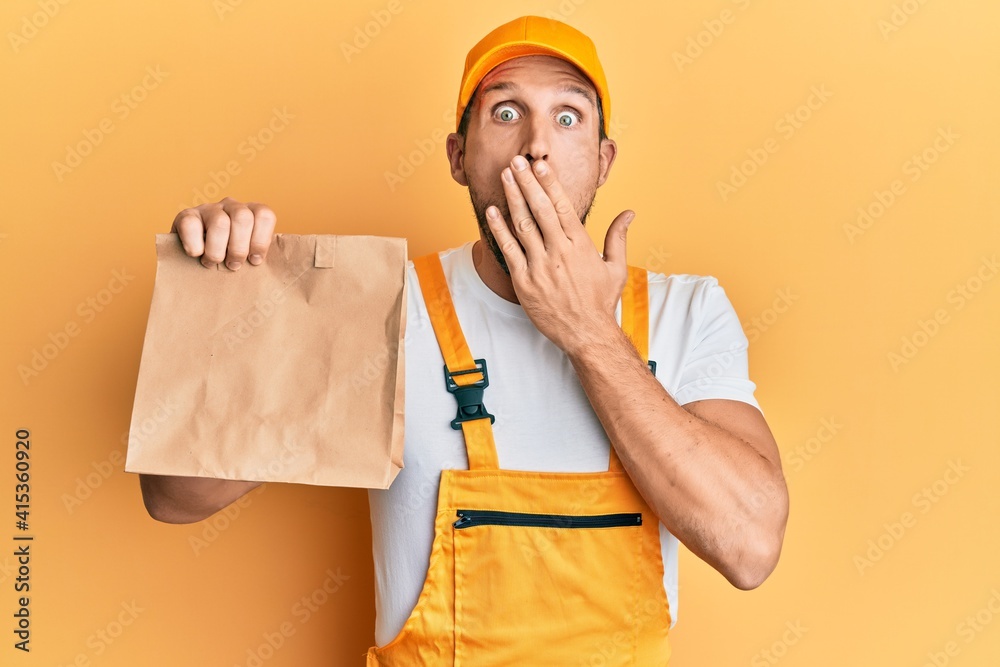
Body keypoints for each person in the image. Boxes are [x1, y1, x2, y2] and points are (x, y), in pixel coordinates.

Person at [139, 15, 789, 664]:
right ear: (459, 156)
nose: (538, 145)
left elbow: (751, 545)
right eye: (507, 113)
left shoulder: (688, 311)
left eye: (569, 119)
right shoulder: (386, 309)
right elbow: (173, 495)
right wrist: (226, 298)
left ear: (602, 159)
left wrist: (589, 332)